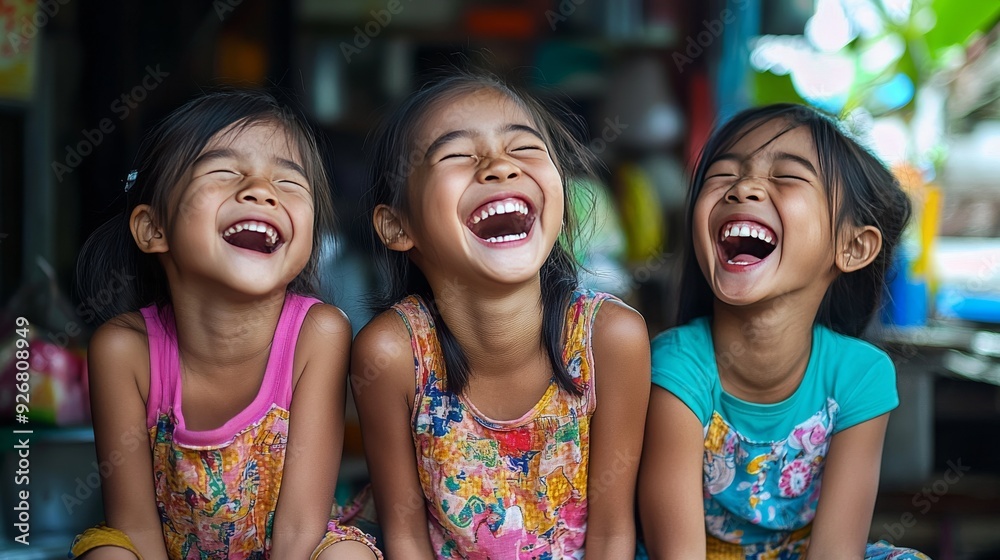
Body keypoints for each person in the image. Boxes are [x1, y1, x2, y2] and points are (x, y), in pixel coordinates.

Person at [351, 70, 650, 559]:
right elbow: (404, 537)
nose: (499, 166)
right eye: (456, 154)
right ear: (397, 224)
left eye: (525, 148)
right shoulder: (393, 355)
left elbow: (613, 534)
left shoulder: (609, 339)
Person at [70, 90, 382, 560]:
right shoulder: (123, 350)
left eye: (288, 183)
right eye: (224, 172)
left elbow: (301, 526)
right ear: (153, 229)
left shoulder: (318, 334)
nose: (261, 190)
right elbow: (135, 524)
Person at [637, 103, 929, 559]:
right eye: (723, 174)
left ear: (852, 246)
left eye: (787, 176)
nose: (744, 188)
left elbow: (835, 552)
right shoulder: (678, 364)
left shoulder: (860, 375)